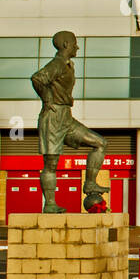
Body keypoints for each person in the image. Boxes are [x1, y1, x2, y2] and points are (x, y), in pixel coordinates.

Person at [31, 31, 108, 213]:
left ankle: (89, 183)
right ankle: (50, 204)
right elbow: (37, 78)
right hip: (53, 117)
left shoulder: (67, 65)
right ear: (66, 44)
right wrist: (47, 98)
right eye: (74, 43)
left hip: (66, 117)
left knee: (100, 143)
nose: (77, 47)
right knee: (51, 163)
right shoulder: (57, 64)